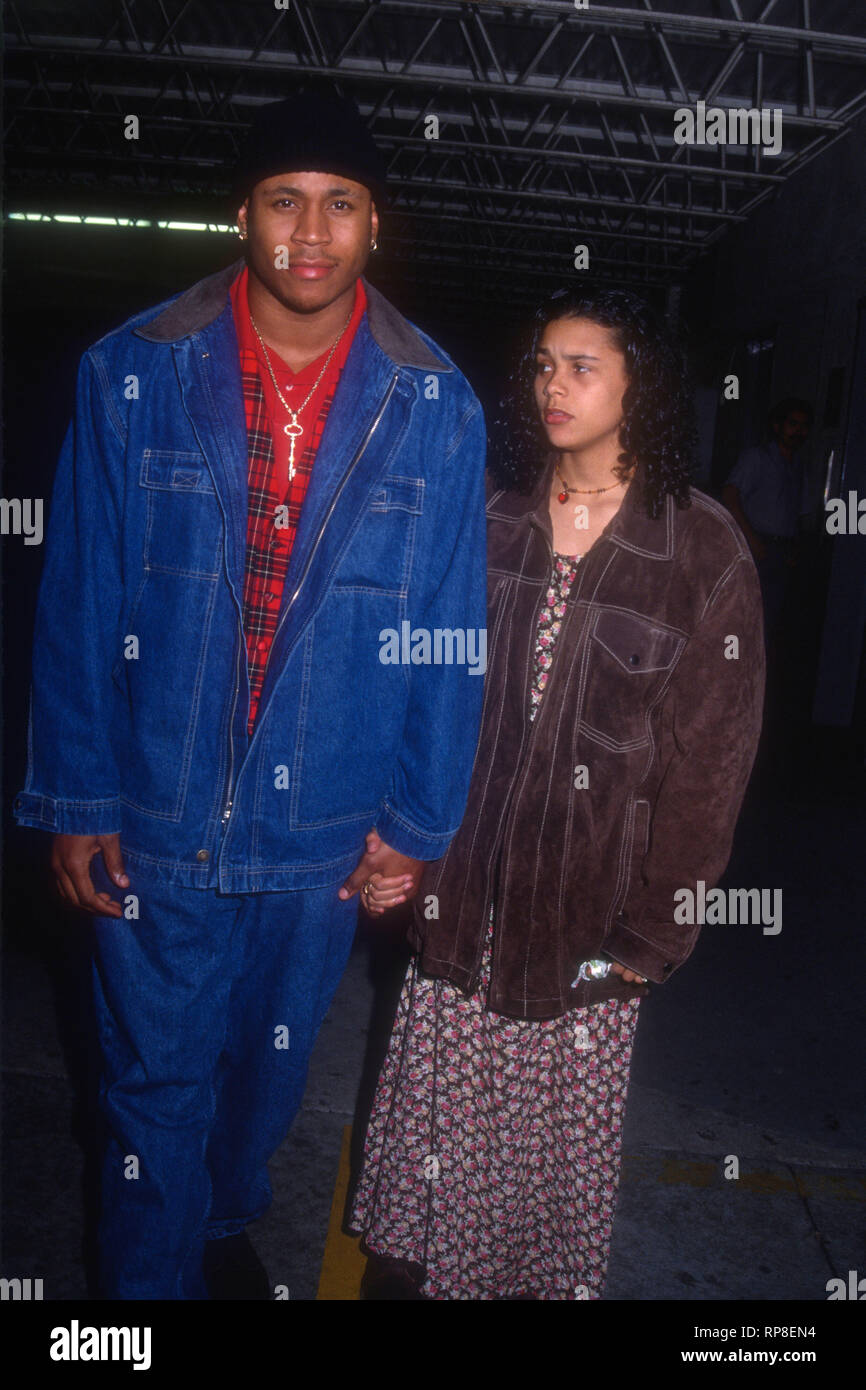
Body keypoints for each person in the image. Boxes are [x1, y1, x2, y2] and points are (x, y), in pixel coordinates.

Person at [13, 87, 488, 1300]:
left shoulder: (433, 404)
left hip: (325, 837)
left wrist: (419, 825)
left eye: (340, 204)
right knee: (151, 1096)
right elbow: (78, 597)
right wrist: (74, 792)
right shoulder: (133, 372)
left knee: (261, 1090)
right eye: (286, 200)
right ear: (242, 215)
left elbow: (446, 629)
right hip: (158, 821)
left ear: (375, 225)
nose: (311, 231)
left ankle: (217, 1219)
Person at [348, 285, 766, 1301]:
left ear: (642, 386)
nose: (552, 384)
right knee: (425, 1192)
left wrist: (653, 935)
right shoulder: (484, 519)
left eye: (582, 365)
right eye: (542, 363)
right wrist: (387, 834)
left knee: (535, 1204)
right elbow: (410, 692)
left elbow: (708, 770)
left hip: (581, 919)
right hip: (458, 898)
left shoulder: (700, 551)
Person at [722, 398, 812, 642]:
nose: (798, 431)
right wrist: (753, 541)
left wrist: (795, 547)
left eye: (803, 426)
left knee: (769, 622)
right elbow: (729, 496)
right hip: (757, 549)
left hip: (782, 554)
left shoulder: (797, 466)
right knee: (745, 618)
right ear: (777, 426)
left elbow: (799, 512)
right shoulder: (757, 458)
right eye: (792, 424)